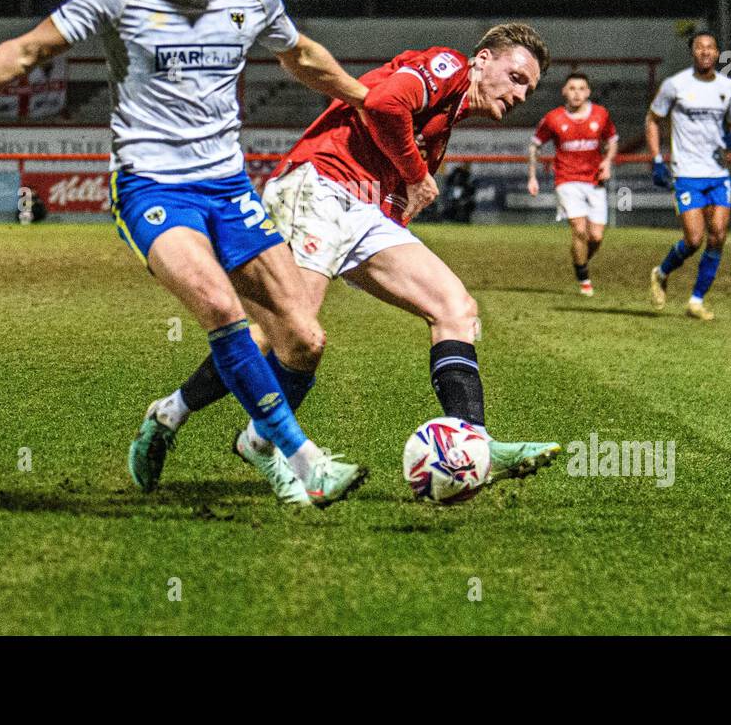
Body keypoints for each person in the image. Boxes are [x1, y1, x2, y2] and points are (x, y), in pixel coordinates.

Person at [0, 0, 379, 506]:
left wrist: (368, 101)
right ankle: (305, 459)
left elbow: (302, 56)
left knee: (304, 337)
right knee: (222, 311)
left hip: (229, 189)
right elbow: (28, 52)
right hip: (151, 187)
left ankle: (170, 414)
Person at [134, 25, 563, 504]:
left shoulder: (448, 120)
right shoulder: (446, 67)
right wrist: (418, 176)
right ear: (482, 60)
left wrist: (403, 199)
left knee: (454, 306)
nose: (523, 94)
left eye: (530, 87)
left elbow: (392, 167)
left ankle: (473, 444)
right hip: (319, 185)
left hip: (361, 213)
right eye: (517, 76)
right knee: (286, 334)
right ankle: (172, 413)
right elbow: (383, 105)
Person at [646, 30, 731, 321]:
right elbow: (652, 120)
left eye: (710, 47)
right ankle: (661, 273)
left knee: (718, 236)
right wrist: (656, 160)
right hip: (687, 173)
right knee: (694, 239)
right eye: (700, 47)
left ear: (717, 53)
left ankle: (696, 301)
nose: (705, 51)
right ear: (693, 52)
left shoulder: (727, 87)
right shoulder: (675, 85)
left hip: (717, 174)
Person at [527, 72, 618, 296]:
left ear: (588, 92)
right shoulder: (553, 118)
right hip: (567, 180)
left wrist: (607, 162)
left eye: (581, 88)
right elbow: (534, 145)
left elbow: (613, 140)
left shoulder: (601, 114)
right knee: (580, 230)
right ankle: (584, 279)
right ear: (564, 92)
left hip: (594, 181)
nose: (576, 93)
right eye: (572, 88)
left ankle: (580, 263)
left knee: (595, 237)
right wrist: (532, 176)